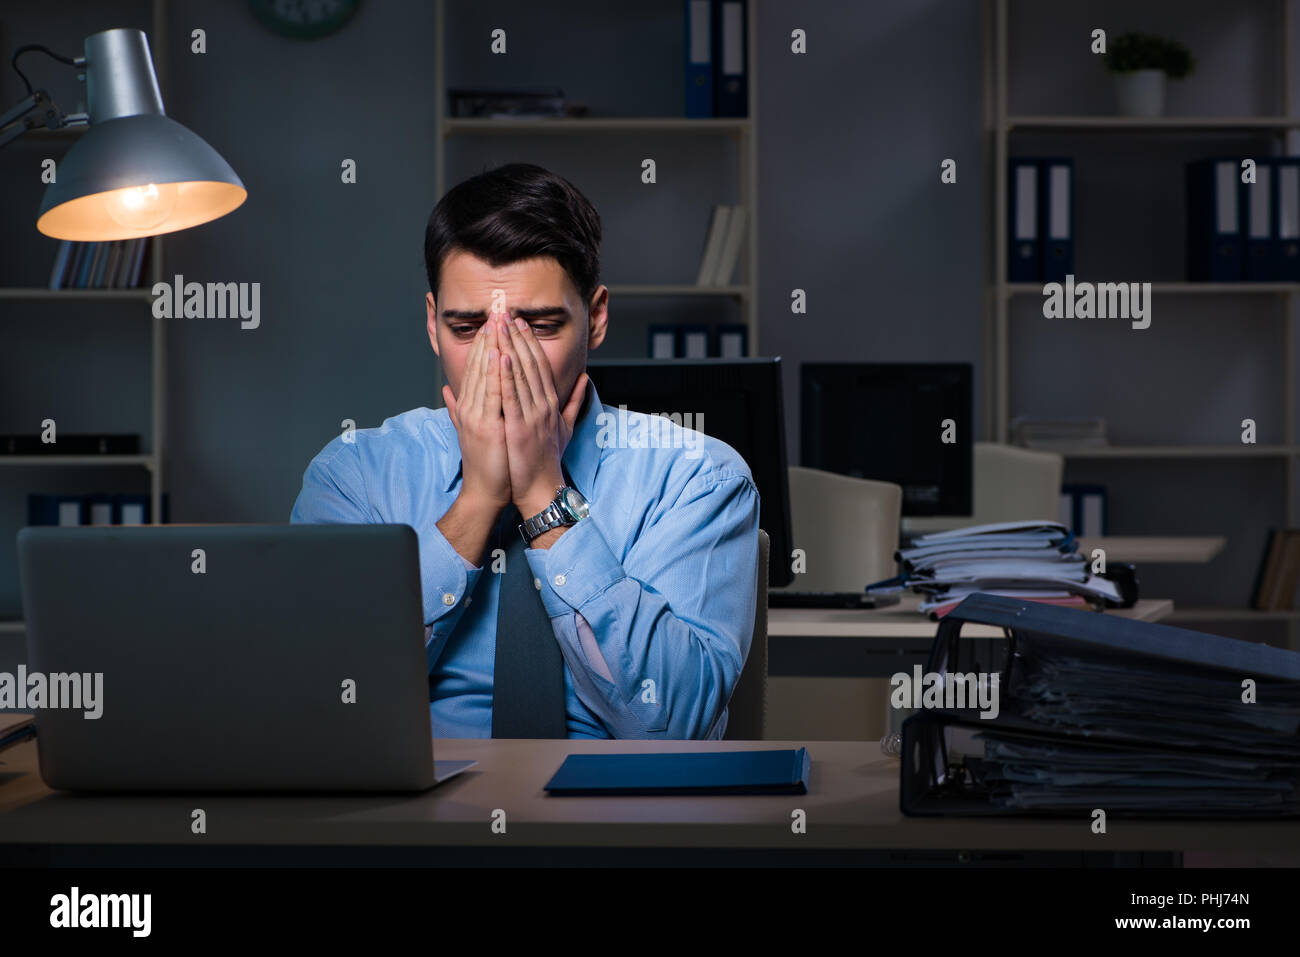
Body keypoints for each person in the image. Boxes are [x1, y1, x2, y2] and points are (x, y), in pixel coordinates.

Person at [291, 163, 759, 739]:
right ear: (433, 325)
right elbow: (322, 702)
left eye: (537, 326)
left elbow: (677, 728)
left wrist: (543, 494)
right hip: (418, 818)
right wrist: (477, 502)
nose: (504, 362)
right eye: (468, 329)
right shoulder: (354, 475)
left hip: (617, 817)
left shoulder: (698, 479)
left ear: (597, 318)